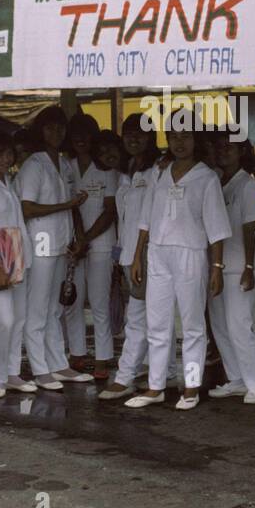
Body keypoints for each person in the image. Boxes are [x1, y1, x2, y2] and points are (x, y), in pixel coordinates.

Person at [126, 121, 231, 411]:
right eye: (174, 137)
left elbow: (217, 229)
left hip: (191, 253)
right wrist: (137, 256)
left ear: (196, 140)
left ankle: (191, 386)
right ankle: (156, 387)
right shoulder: (159, 172)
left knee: (193, 325)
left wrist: (217, 267)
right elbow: (146, 219)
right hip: (157, 252)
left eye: (186, 136)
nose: (179, 142)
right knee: (157, 322)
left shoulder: (206, 177)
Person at [15, 106, 90, 391]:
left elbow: (70, 206)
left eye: (60, 127)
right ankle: (39, 368)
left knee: (55, 309)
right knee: (37, 310)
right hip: (41, 244)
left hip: (61, 243)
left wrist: (74, 236)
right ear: (40, 130)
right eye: (50, 127)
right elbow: (27, 208)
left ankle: (58, 364)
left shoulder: (64, 162)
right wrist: (67, 205)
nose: (56, 132)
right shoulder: (33, 165)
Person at [99, 114, 160, 401]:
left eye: (140, 134)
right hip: (127, 253)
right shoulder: (128, 172)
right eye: (129, 134)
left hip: (145, 252)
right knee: (148, 315)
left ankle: (125, 377)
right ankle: (163, 371)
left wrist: (137, 255)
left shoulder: (157, 171)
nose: (134, 139)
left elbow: (149, 219)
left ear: (151, 137)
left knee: (137, 316)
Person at [206, 131, 255, 404]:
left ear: (242, 151)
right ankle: (236, 379)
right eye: (220, 148)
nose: (224, 152)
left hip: (237, 266)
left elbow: (250, 229)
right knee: (220, 325)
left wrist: (250, 266)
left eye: (230, 148)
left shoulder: (247, 186)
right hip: (215, 266)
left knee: (239, 326)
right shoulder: (217, 182)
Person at [62, 116, 119, 378]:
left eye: (86, 134)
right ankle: (77, 354)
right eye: (76, 134)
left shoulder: (107, 170)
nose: (81, 139)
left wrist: (86, 239)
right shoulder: (67, 167)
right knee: (73, 301)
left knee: (98, 302)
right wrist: (79, 239)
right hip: (75, 244)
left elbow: (109, 211)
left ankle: (103, 358)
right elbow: (71, 207)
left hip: (101, 245)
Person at [0, 130, 33, 398]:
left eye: (8, 153)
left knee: (19, 319)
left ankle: (12, 373)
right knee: (3, 320)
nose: (5, 158)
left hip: (17, 253)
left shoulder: (9, 181)